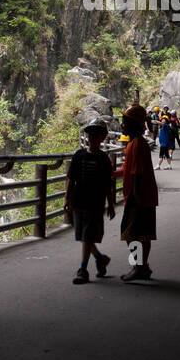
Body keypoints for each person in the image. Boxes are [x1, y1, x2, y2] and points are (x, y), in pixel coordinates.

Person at [64, 120, 117, 284]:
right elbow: (71, 179)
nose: (92, 137)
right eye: (90, 134)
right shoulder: (78, 156)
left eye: (96, 134)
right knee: (83, 236)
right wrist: (67, 199)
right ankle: (100, 259)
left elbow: (107, 184)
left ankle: (83, 270)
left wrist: (110, 204)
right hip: (79, 201)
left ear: (102, 137)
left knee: (87, 236)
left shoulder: (103, 159)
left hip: (95, 202)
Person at [118, 104, 158, 280]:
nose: (122, 125)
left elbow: (136, 173)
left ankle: (137, 267)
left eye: (124, 122)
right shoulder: (137, 144)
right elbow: (128, 170)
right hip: (146, 197)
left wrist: (133, 197)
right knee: (144, 233)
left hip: (138, 197)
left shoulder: (135, 145)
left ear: (133, 124)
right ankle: (142, 267)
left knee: (130, 232)